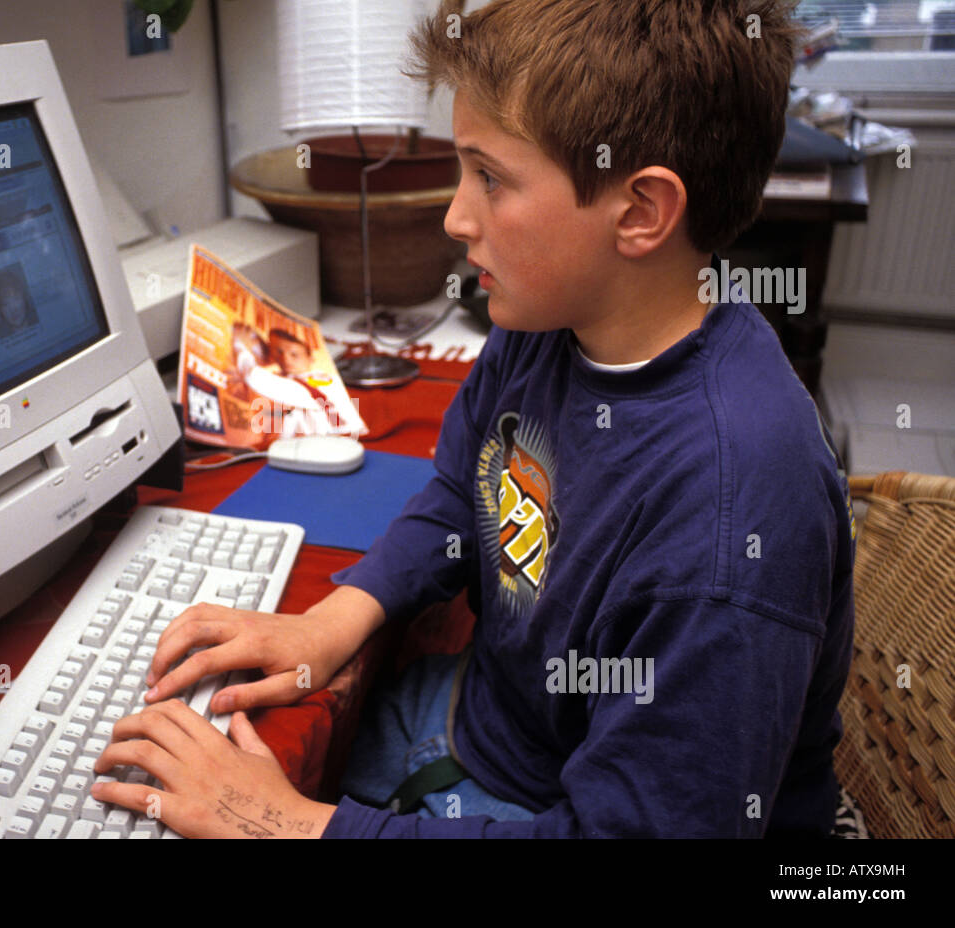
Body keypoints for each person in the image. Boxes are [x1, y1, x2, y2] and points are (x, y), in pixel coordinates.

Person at [89, 0, 855, 838]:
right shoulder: (555, 320)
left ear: (640, 212)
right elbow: (465, 490)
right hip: (486, 725)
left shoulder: (733, 509)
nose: (457, 217)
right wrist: (325, 624)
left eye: (490, 177)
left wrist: (284, 824)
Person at [231, 326, 365, 438]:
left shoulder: (319, 381)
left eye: (295, 355)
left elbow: (256, 377)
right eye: (279, 353)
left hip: (334, 440)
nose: (285, 359)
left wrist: (241, 347)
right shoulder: (287, 378)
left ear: (310, 360)